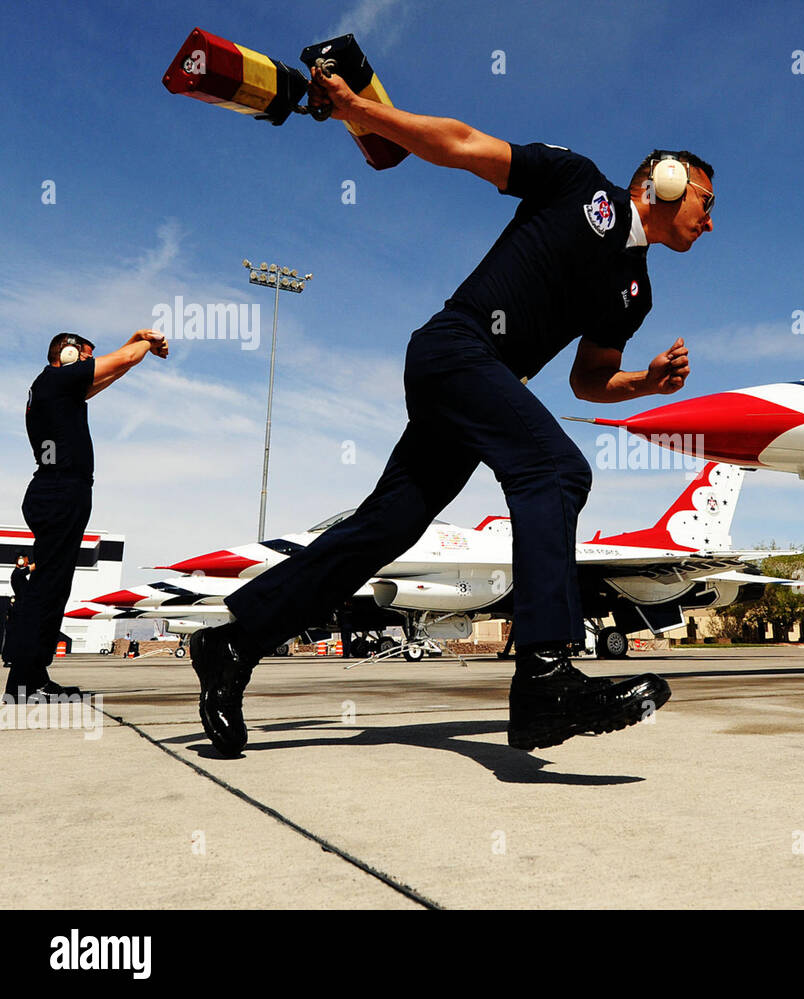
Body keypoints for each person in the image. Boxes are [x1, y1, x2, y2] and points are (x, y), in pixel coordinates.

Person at [189, 67, 714, 757]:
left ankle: (232, 641)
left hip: (483, 385)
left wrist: (644, 383)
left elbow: (590, 381)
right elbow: (465, 144)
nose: (710, 219)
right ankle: (544, 677)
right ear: (665, 182)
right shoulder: (581, 184)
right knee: (557, 471)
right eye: (704, 200)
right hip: (456, 349)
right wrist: (364, 113)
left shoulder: (635, 290)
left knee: (383, 528)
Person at [2, 330, 168, 701]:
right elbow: (121, 361)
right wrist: (147, 342)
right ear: (70, 354)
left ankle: (32, 678)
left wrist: (133, 340)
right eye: (85, 357)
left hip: (54, 490)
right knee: (47, 589)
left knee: (51, 587)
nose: (89, 365)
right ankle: (25, 684)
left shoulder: (56, 387)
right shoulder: (59, 378)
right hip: (61, 490)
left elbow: (110, 373)